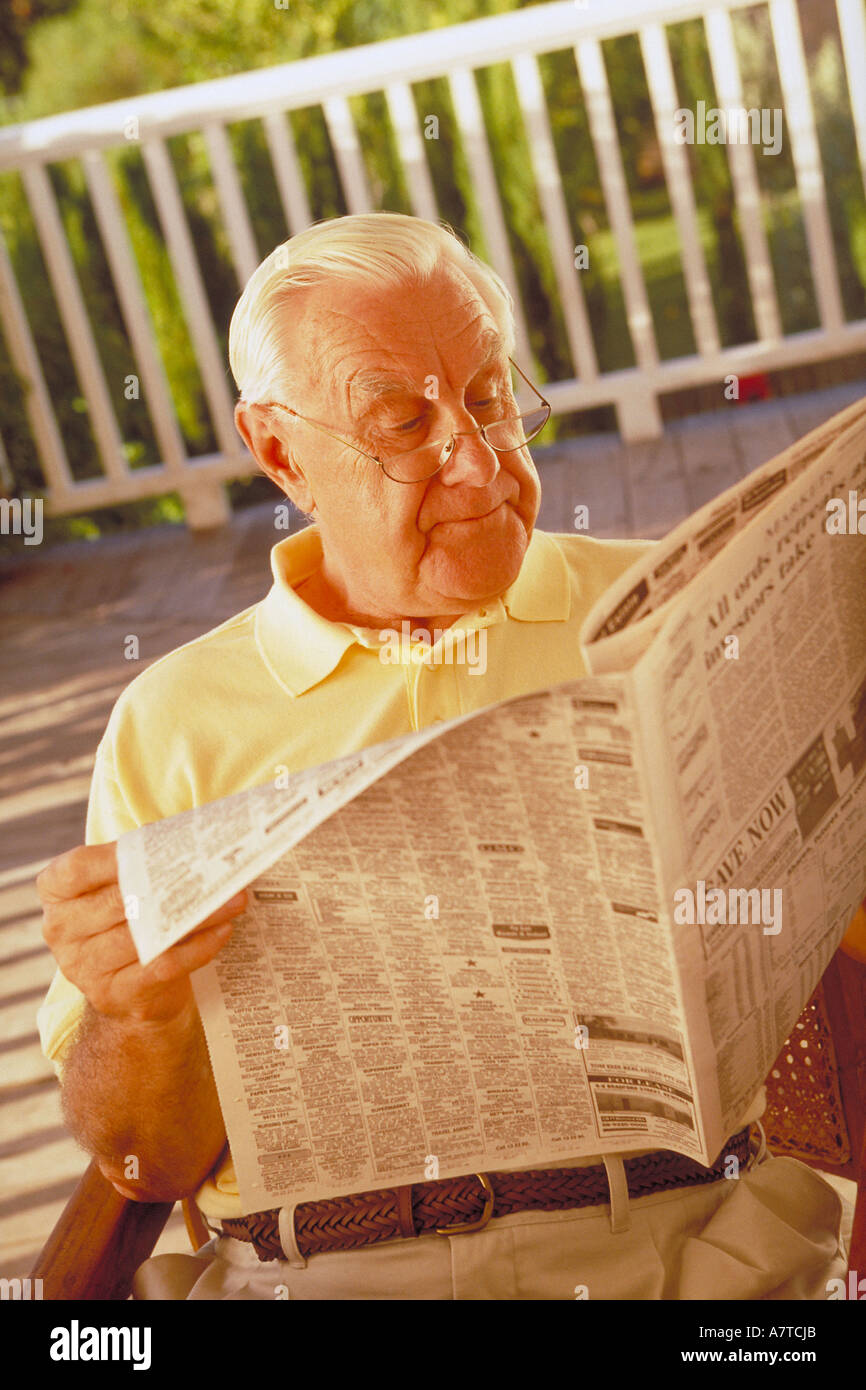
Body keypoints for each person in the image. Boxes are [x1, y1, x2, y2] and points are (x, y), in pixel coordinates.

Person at [37, 213, 855, 1300]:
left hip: (686, 1245)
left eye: (486, 397)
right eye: (402, 422)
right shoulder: (177, 720)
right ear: (280, 450)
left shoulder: (682, 608)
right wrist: (135, 1015)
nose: (475, 464)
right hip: (324, 1275)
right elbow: (151, 1162)